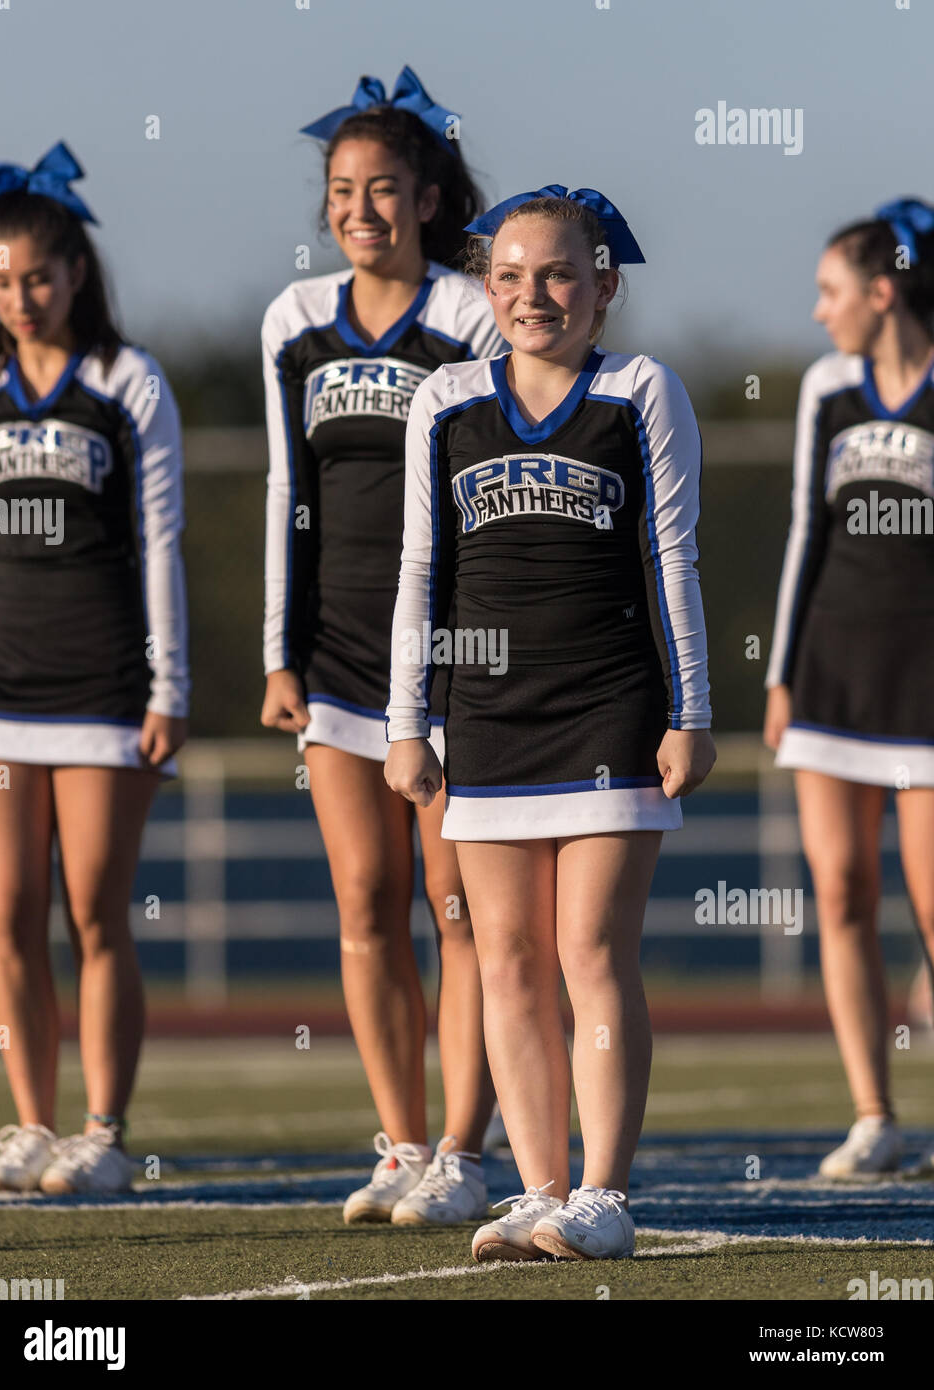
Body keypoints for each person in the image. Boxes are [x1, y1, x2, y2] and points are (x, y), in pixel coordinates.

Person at [385, 186, 715, 1260]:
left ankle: (605, 1192)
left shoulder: (641, 392)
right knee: (506, 956)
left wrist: (692, 711)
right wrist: (407, 721)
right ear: (488, 287)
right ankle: (536, 1186)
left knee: (588, 948)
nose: (537, 295)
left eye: (561, 273)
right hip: (486, 714)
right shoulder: (444, 400)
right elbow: (424, 569)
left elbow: (672, 561)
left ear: (604, 285)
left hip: (608, 701)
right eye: (514, 276)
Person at [260, 68, 504, 1225]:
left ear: (430, 196)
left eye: (386, 188)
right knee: (366, 901)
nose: (361, 209)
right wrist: (278, 653)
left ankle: (465, 1148)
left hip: (451, 652)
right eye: (342, 190)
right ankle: (402, 1142)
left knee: (460, 911)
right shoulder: (292, 323)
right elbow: (283, 489)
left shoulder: (468, 314)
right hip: (338, 653)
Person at [0, 142, 189, 1195]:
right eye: (1, 279)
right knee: (6, 910)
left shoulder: (125, 379)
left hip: (104, 688)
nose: (22, 296)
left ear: (78, 273)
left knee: (96, 912)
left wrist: (169, 687)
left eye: (40, 277)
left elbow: (159, 542)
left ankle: (103, 1132)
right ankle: (28, 1125)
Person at [765, 198, 934, 1178]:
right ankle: (875, 1114)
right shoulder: (828, 389)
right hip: (831, 672)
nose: (820, 310)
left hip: (924, 685)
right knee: (839, 892)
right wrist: (781, 672)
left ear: (882, 290)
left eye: (832, 291)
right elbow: (804, 532)